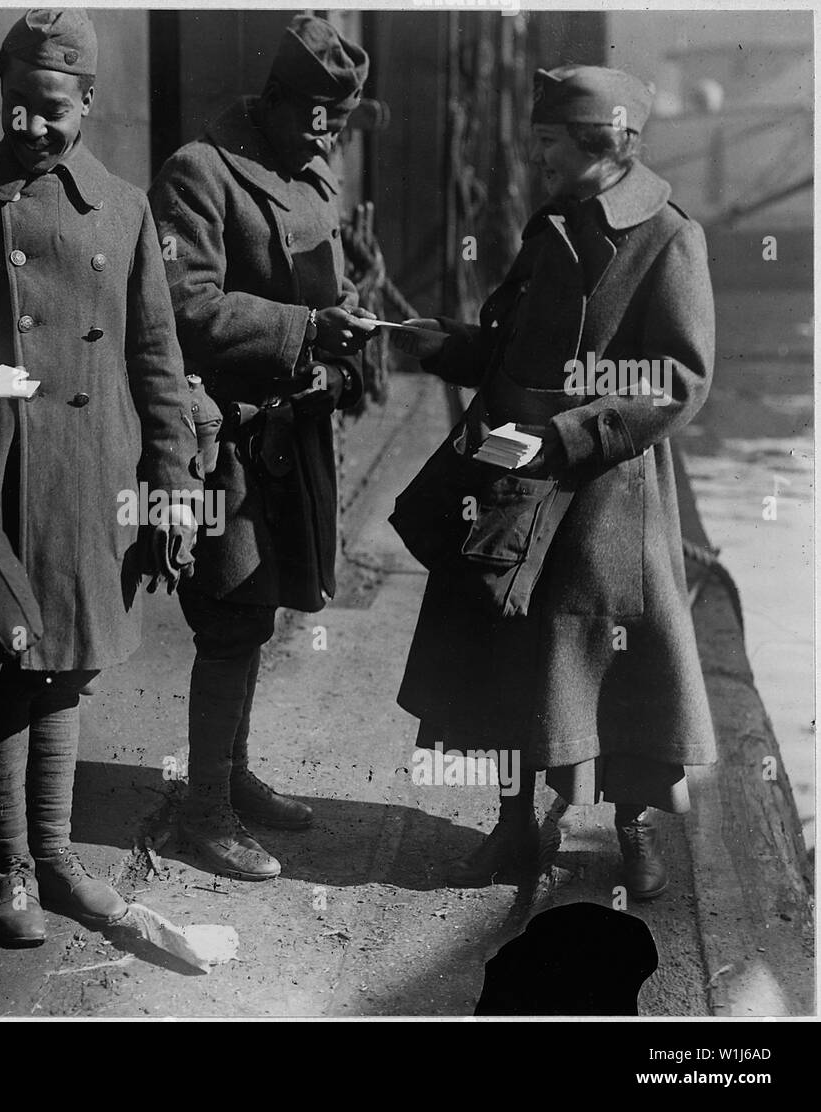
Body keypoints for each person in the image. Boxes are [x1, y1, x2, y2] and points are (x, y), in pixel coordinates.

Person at [0, 9, 200, 946]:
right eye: (15, 106)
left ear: (90, 102)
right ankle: (10, 866)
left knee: (65, 667)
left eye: (52, 108)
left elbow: (156, 357)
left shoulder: (123, 204)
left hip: (90, 472)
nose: (30, 126)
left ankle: (60, 857)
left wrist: (175, 481)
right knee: (3, 672)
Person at [390, 65, 717, 900]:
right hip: (514, 478)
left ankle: (632, 828)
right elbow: (507, 347)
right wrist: (436, 343)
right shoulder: (552, 227)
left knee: (617, 658)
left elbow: (678, 378)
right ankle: (510, 825)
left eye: (547, 144)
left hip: (606, 491)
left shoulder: (670, 237)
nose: (535, 158)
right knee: (505, 652)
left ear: (601, 143)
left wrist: (571, 435)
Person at [148, 15, 375, 880]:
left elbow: (334, 275)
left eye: (337, 118)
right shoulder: (199, 172)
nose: (322, 131)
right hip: (227, 436)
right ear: (271, 96)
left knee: (265, 606)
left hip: (294, 423)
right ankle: (203, 809)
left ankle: (234, 779)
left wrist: (343, 342)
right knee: (231, 617)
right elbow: (182, 306)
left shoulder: (312, 168)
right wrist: (306, 328)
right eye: (310, 111)